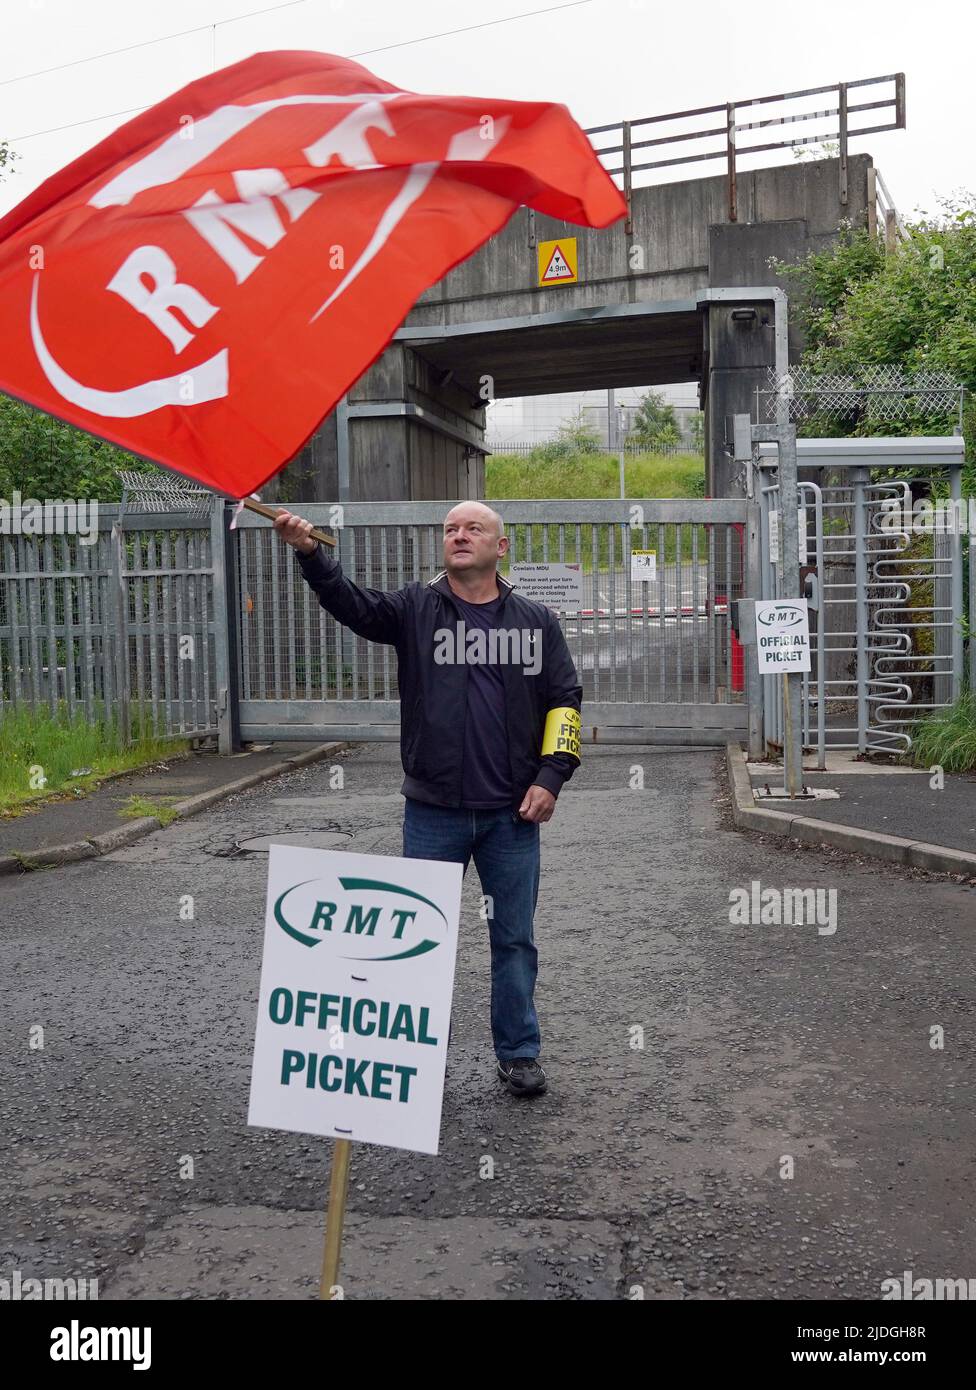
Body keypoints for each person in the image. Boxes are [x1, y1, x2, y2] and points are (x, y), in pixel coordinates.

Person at [274, 501, 582, 1097]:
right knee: (418, 940)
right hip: (433, 813)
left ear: (502, 546)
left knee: (513, 939)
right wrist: (310, 554)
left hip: (511, 817)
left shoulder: (536, 621)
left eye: (474, 529)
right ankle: (407, 1060)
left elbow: (564, 700)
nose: (460, 536)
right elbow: (353, 606)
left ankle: (519, 1053)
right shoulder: (417, 609)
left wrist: (552, 777)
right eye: (451, 529)